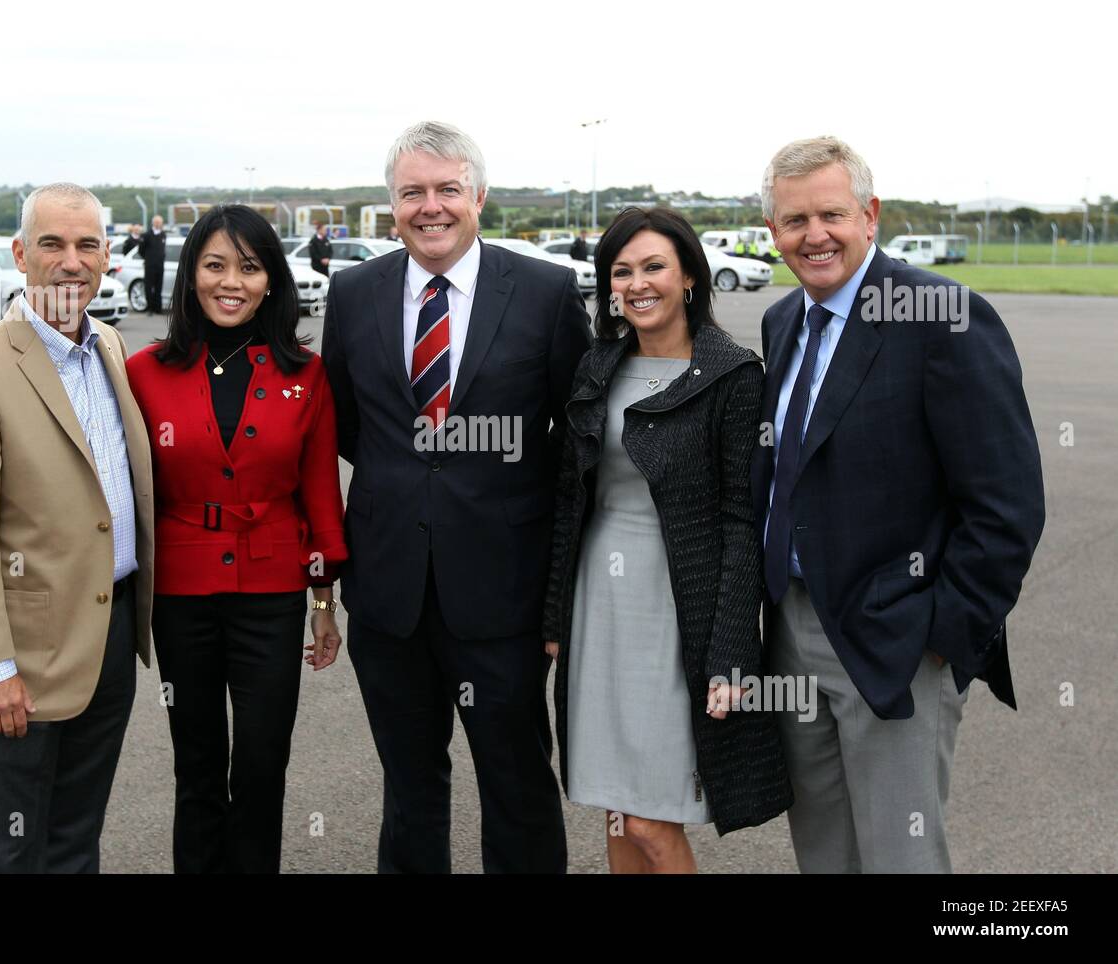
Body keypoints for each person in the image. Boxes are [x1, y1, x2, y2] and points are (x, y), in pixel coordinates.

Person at [753, 136, 1045, 873]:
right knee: (823, 850)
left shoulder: (941, 315)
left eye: (831, 214)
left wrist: (941, 635)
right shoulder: (783, 321)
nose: (813, 235)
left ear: (870, 214)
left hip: (897, 639)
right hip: (791, 624)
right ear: (773, 233)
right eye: (794, 222)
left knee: (899, 856)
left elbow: (1006, 503)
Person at [322, 120, 590, 874]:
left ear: (479, 196)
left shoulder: (542, 292)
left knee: (516, 781)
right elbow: (349, 425)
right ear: (392, 204)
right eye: (413, 192)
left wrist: (560, 595)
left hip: (503, 595)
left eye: (446, 190)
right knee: (409, 785)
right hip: (389, 593)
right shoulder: (353, 292)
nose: (430, 207)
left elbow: (575, 443)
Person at [544, 207, 792, 873]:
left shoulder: (734, 375)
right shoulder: (598, 367)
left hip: (679, 610)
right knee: (617, 807)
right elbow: (571, 499)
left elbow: (746, 520)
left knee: (654, 819)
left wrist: (734, 649)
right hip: (599, 604)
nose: (636, 283)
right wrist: (553, 616)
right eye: (620, 271)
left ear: (688, 276)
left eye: (653, 266)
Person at [0, 182, 155, 873]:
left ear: (108, 256)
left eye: (87, 245)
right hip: (22, 656)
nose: (70, 261)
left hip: (110, 636)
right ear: (21, 254)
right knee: (9, 850)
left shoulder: (109, 347)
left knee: (76, 837)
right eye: (51, 244)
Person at [126, 205, 347, 874]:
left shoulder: (304, 374)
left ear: (271, 280)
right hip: (181, 596)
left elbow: (318, 494)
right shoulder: (143, 372)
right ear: (190, 275)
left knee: (260, 764)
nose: (232, 282)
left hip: (273, 592)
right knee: (195, 766)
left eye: (249, 268)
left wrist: (322, 602)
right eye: (215, 265)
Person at [138, 215, 167, 313]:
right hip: (150, 265)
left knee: (159, 287)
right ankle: (150, 307)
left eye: (160, 222)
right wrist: (148, 259)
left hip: (160, 265)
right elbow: (141, 250)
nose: (158, 224)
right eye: (156, 222)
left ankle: (157, 308)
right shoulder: (146, 235)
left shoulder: (163, 235)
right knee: (149, 287)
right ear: (153, 223)